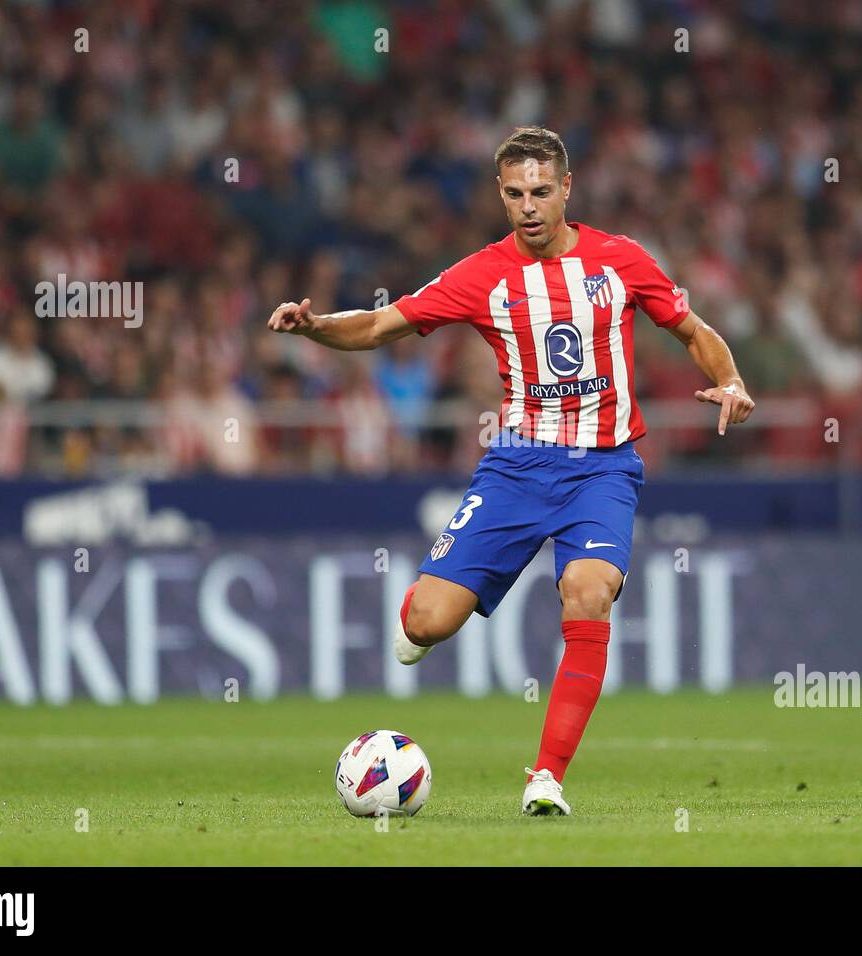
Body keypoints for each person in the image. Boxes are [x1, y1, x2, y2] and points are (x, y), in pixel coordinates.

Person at [268, 127, 754, 815]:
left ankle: (545, 778)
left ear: (566, 190)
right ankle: (422, 622)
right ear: (501, 194)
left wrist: (730, 379)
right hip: (516, 470)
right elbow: (382, 326)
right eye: (516, 194)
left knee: (588, 591)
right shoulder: (480, 275)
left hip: (602, 470)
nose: (529, 207)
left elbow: (693, 331)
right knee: (429, 621)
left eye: (542, 192)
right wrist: (315, 326)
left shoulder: (621, 261)